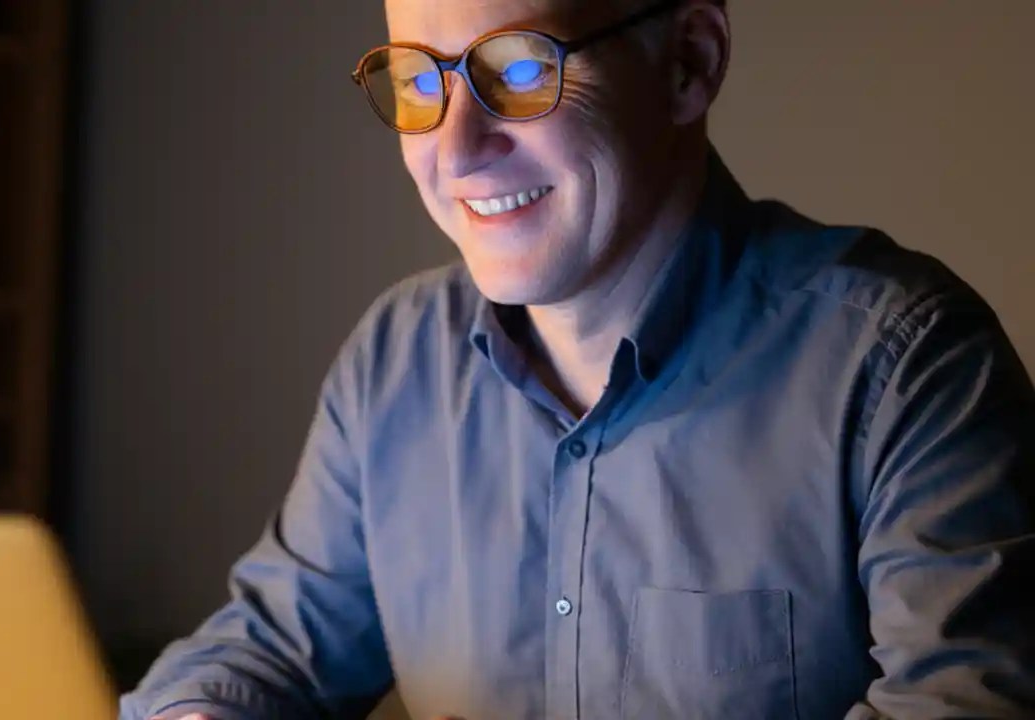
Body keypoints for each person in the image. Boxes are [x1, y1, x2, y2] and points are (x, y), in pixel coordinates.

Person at [120, 0, 1035, 717]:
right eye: (416, 81)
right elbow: (273, 649)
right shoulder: (396, 363)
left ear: (689, 62)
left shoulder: (907, 366)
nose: (454, 149)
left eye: (520, 69)